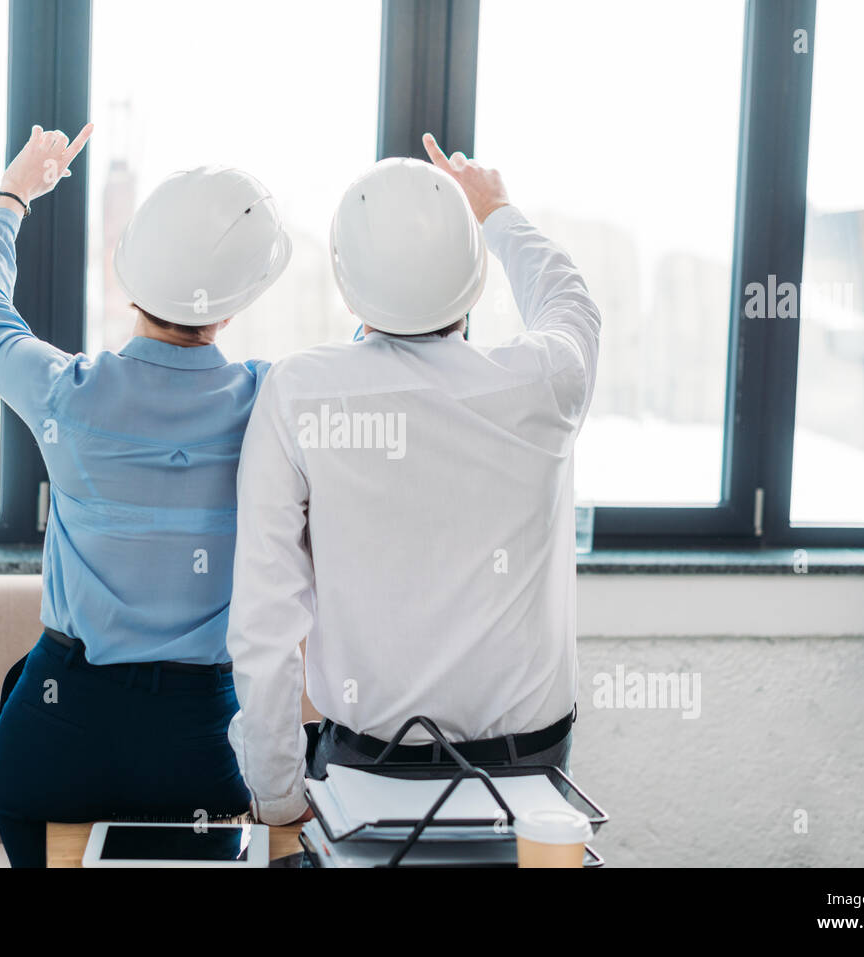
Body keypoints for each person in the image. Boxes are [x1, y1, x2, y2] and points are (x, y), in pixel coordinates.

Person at [225, 132, 602, 825]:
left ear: (348, 279)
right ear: (475, 276)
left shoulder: (301, 393)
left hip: (365, 772)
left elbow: (264, 622)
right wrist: (496, 210)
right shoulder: (544, 380)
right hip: (530, 779)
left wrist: (277, 797)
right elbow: (572, 302)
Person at [0, 123, 292, 864]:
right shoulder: (270, 403)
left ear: (131, 279)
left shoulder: (66, 396)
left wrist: (13, 195)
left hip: (57, 740)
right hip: (197, 749)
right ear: (229, 309)